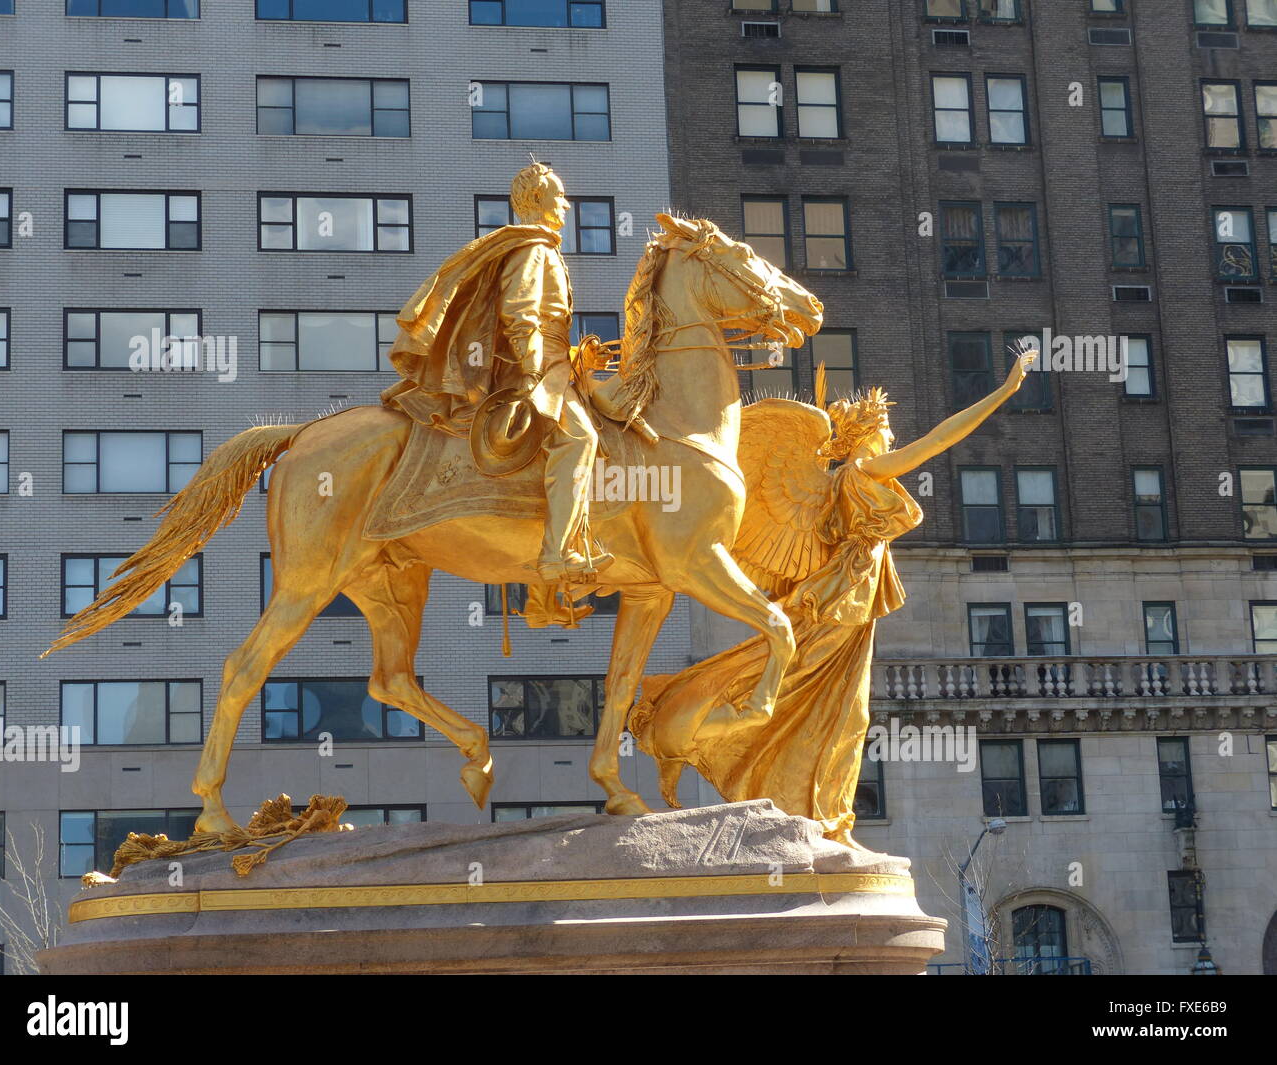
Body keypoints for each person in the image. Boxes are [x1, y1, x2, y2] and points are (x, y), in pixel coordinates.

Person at [630, 349, 1038, 848]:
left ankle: (816, 815)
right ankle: (810, 812)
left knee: (833, 714)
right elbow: (937, 441)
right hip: (836, 608)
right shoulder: (862, 473)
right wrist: (1004, 391)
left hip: (847, 611)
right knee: (838, 715)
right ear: (872, 433)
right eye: (888, 431)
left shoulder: (841, 484)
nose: (894, 439)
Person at [380, 162, 611, 583]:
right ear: (538, 201)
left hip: (555, 364)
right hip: (536, 370)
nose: (567, 204)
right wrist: (532, 371)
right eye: (559, 196)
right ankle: (558, 555)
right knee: (580, 439)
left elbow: (543, 326)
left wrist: (578, 356)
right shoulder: (534, 249)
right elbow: (519, 314)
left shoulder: (544, 248)